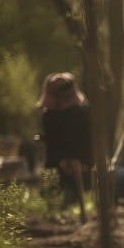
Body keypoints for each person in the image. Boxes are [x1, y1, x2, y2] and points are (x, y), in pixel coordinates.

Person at [37, 72, 92, 204]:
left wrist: (82, 162)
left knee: (81, 193)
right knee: (52, 195)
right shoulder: (49, 116)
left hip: (81, 165)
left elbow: (87, 142)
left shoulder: (80, 114)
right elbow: (52, 143)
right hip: (56, 165)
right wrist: (62, 160)